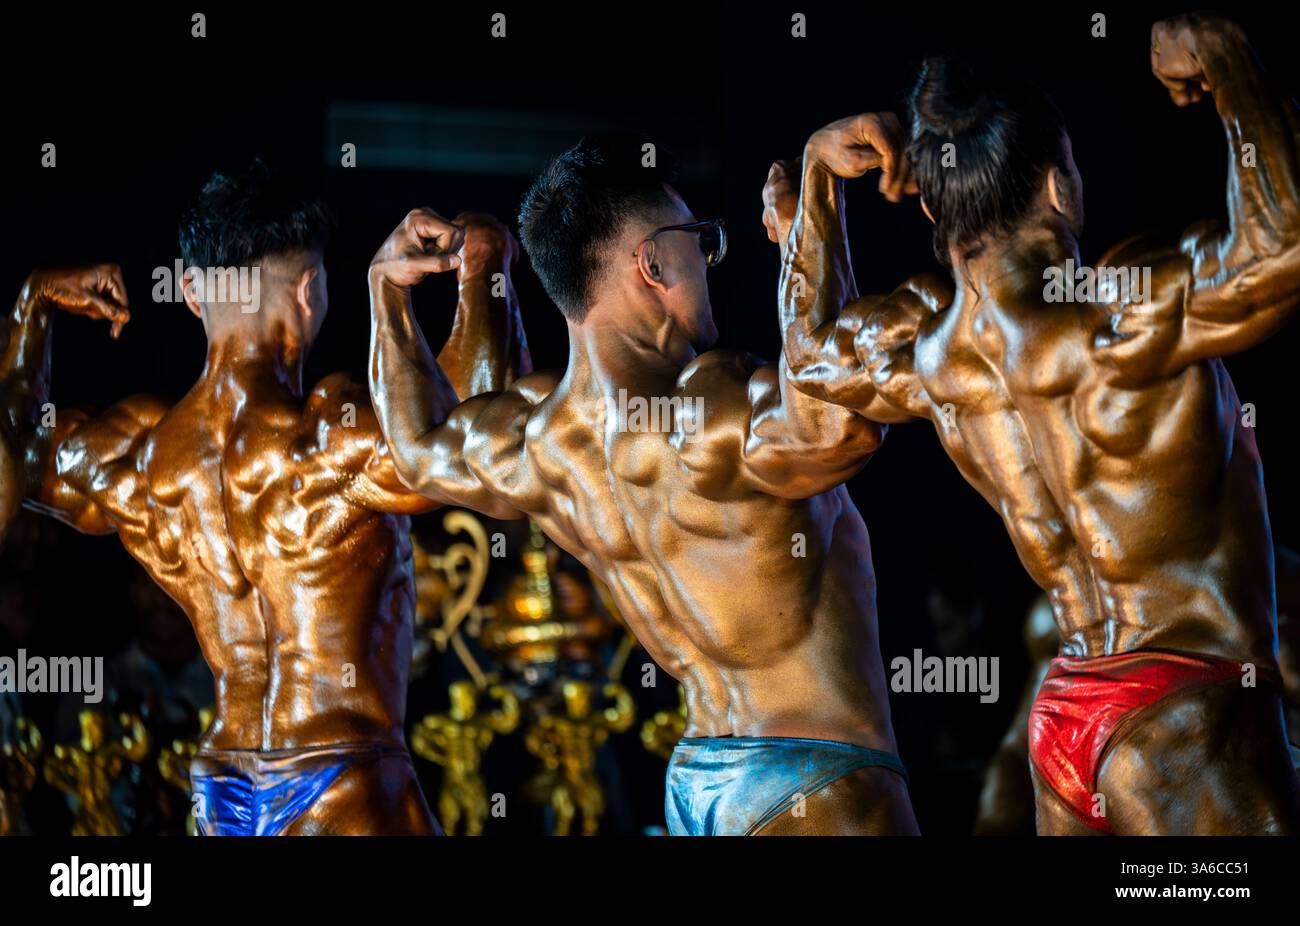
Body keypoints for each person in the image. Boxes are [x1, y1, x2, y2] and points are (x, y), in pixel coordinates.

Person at [777, 13, 1300, 833]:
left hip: (1065, 720)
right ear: (1060, 185)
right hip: (1191, 706)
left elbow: (807, 360)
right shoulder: (1113, 310)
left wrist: (815, 175)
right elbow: (1279, 254)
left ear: (932, 213)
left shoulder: (931, 351)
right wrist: (1231, 61)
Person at [367, 134, 916, 835]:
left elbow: (414, 453)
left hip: (697, 782)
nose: (710, 262)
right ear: (653, 260)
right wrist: (814, 214)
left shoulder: (539, 448)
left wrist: (385, 289)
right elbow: (838, 424)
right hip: (821, 780)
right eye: (699, 243)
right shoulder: (705, 411)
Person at [0, 162, 529, 834]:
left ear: (191, 292)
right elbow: (475, 445)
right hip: (345, 778)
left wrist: (31, 308)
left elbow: (12, 457)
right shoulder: (330, 433)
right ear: (310, 291)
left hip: (222, 785)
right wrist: (485, 257)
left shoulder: (134, 456)